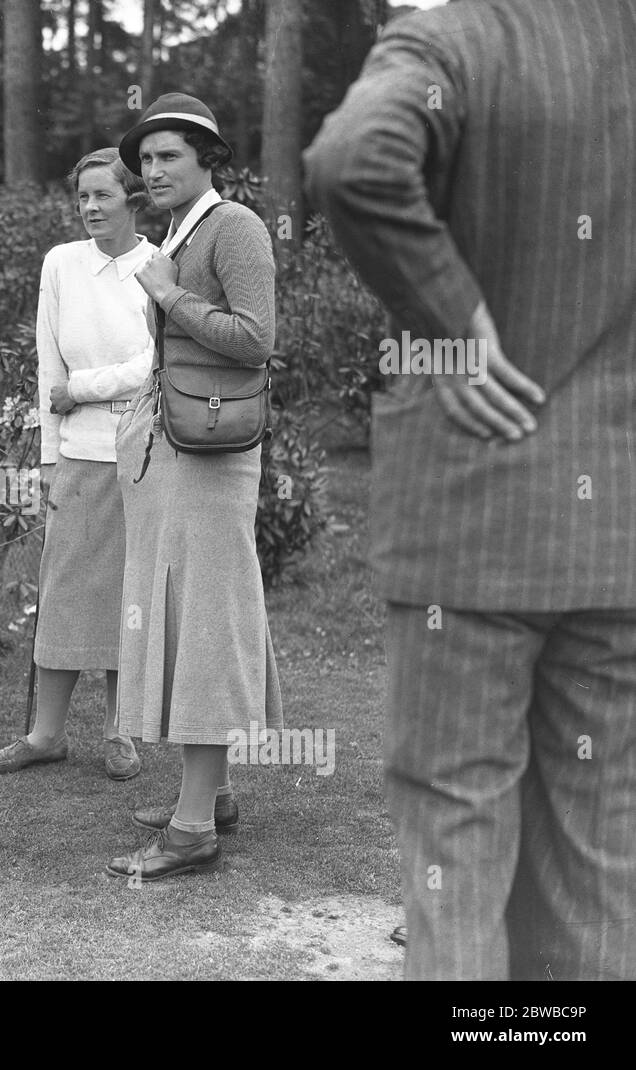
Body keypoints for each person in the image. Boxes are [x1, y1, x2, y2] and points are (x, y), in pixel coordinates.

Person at [304, 0, 636, 980]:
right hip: (615, 526)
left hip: (472, 520)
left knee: (456, 845)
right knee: (601, 859)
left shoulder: (456, 40)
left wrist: (451, 320)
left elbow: (352, 158)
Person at [106, 93, 282, 882]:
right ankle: (213, 797)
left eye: (170, 155)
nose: (154, 170)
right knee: (191, 617)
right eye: (146, 159)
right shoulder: (179, 231)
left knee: (207, 623)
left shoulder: (235, 227)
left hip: (215, 454)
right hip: (179, 448)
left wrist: (171, 293)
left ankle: (190, 832)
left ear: (209, 159)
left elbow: (256, 340)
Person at [0, 148, 154, 780]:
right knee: (64, 591)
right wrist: (50, 456)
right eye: (83, 197)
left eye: (104, 195)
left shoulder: (159, 266)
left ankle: (119, 733)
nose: (91, 208)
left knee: (126, 596)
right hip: (76, 457)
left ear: (133, 199)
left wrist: (83, 389)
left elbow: (151, 367)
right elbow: (47, 366)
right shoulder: (61, 265)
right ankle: (45, 733)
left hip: (141, 455)